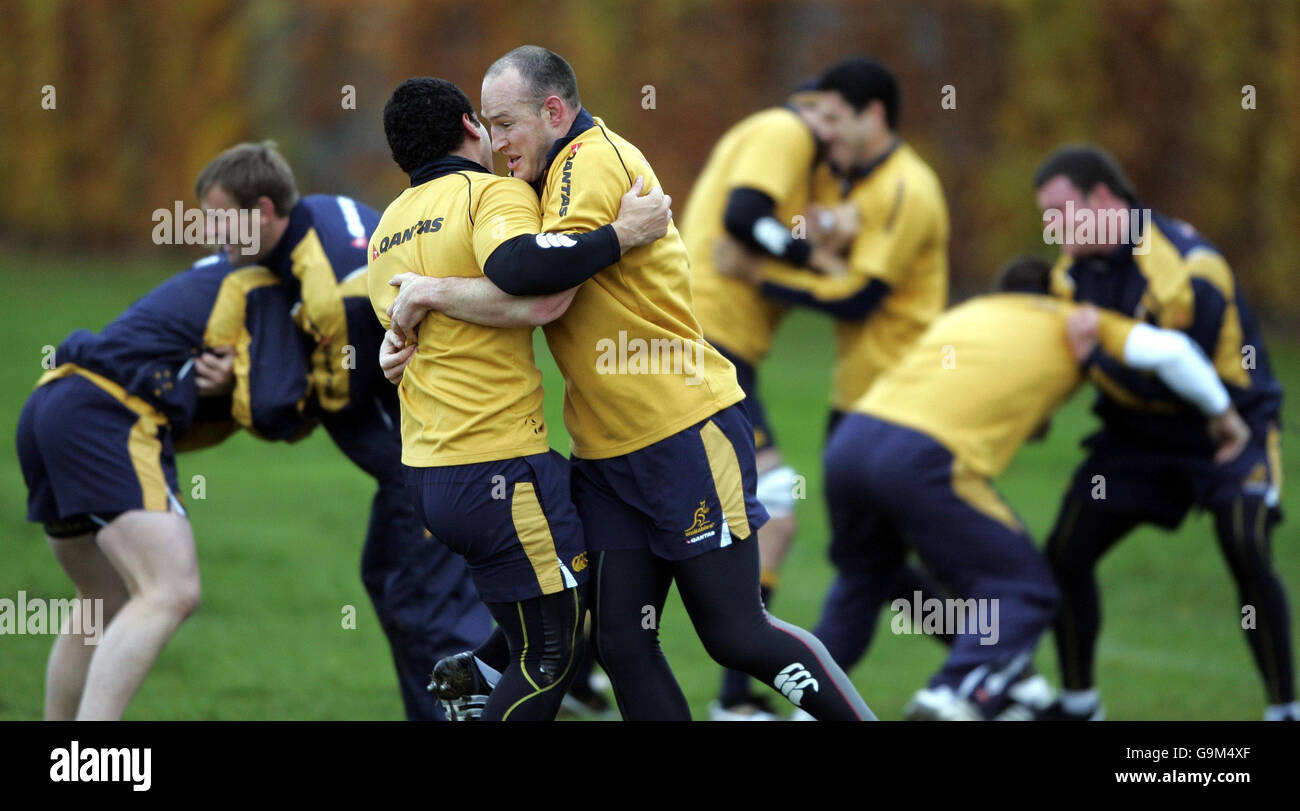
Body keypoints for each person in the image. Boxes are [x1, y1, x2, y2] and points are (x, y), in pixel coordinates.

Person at [403, 46, 875, 720]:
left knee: (737, 634)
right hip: (604, 453)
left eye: (506, 124)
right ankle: (489, 661)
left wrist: (429, 292)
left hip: (680, 430)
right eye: (487, 124)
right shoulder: (542, 173)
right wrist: (411, 319)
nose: (498, 142)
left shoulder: (590, 160)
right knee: (624, 642)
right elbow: (506, 273)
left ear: (555, 111)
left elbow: (536, 277)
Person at [817, 257, 1249, 720]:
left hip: (850, 443)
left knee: (867, 577)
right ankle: (952, 694)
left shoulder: (968, 313)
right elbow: (1173, 353)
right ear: (1057, 292)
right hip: (921, 458)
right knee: (1023, 588)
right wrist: (1224, 417)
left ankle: (809, 704)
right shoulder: (1072, 319)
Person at [369, 76, 671, 720]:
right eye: (491, 124)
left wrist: (414, 309)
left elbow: (401, 340)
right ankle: (487, 679)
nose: (502, 140)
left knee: (581, 566)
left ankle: (478, 668)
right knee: (550, 655)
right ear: (470, 126)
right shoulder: (490, 193)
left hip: (429, 477)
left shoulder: (384, 230)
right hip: (499, 467)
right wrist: (622, 234)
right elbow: (540, 293)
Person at [192, 141, 494, 721]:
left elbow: (305, 407)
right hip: (427, 459)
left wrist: (244, 374)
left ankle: (521, 691)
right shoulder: (323, 215)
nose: (212, 233)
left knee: (423, 607)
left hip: (431, 459)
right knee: (387, 579)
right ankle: (544, 674)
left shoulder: (326, 284)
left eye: (220, 218)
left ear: (260, 211)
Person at [713, 56, 954, 711]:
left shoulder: (900, 185)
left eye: (834, 118)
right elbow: (749, 216)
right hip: (797, 381)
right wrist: (807, 246)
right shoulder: (794, 139)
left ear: (868, 114)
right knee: (832, 543)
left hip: (901, 401)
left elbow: (857, 295)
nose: (824, 132)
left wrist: (777, 263)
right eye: (817, 114)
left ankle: (991, 653)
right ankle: (991, 656)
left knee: (850, 550)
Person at [1033, 144, 1295, 720]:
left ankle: (1285, 711)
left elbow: (1178, 375)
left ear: (1102, 198)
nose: (1052, 228)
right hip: (1135, 439)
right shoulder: (1070, 275)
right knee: (1065, 552)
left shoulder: (1189, 267)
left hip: (1226, 427)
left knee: (1247, 546)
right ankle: (1080, 705)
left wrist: (1097, 349)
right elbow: (1075, 363)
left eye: (1060, 210)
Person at [17, 251, 312, 720]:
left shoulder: (215, 275)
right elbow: (282, 407)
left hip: (50, 402)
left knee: (102, 601)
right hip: (107, 414)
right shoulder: (268, 289)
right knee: (170, 590)